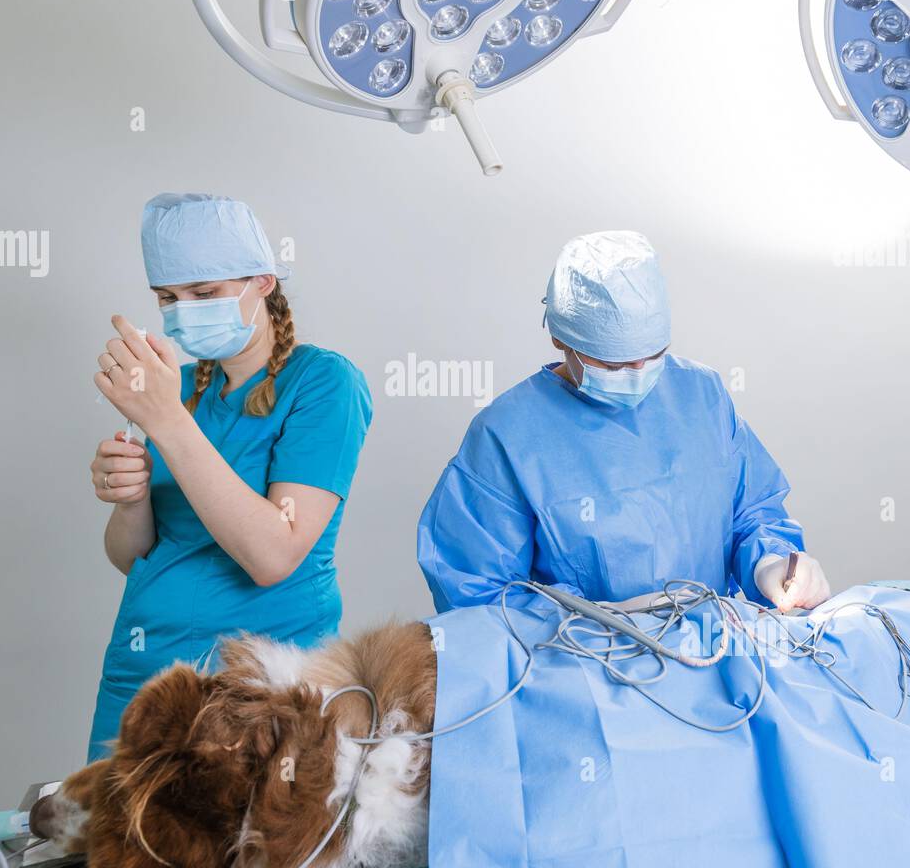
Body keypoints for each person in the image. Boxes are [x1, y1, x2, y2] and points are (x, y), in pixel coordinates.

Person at [87, 193, 372, 758]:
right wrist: (129, 498)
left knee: (245, 840)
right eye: (167, 297)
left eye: (204, 293)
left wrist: (167, 421)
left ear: (263, 283)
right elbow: (132, 557)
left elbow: (272, 556)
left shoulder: (323, 383)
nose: (182, 310)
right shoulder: (183, 384)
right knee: (119, 841)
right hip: (143, 670)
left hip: (259, 683)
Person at [418, 230, 829, 616]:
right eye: (612, 362)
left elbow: (752, 511)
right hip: (583, 674)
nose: (637, 371)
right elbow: (477, 594)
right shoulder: (506, 436)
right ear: (561, 338)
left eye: (654, 355)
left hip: (713, 658)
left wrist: (770, 564)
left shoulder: (701, 396)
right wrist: (600, 623)